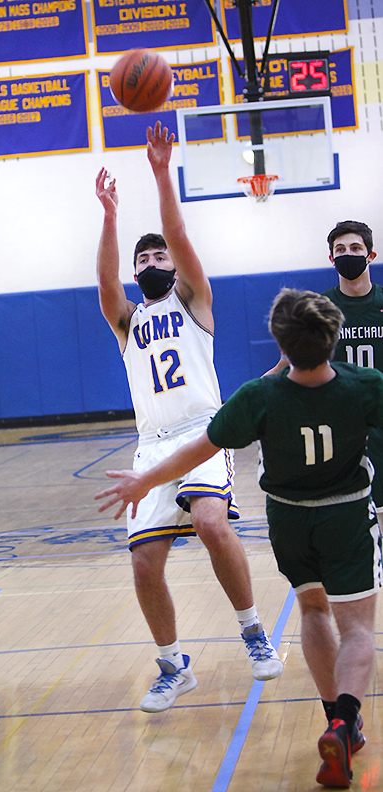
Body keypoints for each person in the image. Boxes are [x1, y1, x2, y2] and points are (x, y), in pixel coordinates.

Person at [96, 288, 382, 788]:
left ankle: (331, 714)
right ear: (333, 337)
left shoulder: (259, 396)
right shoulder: (366, 385)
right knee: (357, 630)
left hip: (291, 521)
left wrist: (144, 481)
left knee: (313, 612)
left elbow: (198, 449)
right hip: (347, 517)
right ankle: (345, 720)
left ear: (279, 342)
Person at [94, 120, 282, 715]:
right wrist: (109, 215)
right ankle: (174, 665)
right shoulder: (128, 321)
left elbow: (176, 233)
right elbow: (104, 283)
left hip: (206, 431)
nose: (152, 260)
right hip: (151, 445)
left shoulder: (193, 299)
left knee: (209, 522)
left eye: (160, 255)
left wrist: (159, 175)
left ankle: (252, 631)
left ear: (174, 266)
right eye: (142, 257)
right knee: (145, 562)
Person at [266, 220, 383, 523]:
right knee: (349, 520)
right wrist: (256, 393)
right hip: (341, 425)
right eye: (340, 249)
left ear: (370, 255)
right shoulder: (319, 308)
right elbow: (286, 365)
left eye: (356, 248)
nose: (348, 254)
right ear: (331, 259)